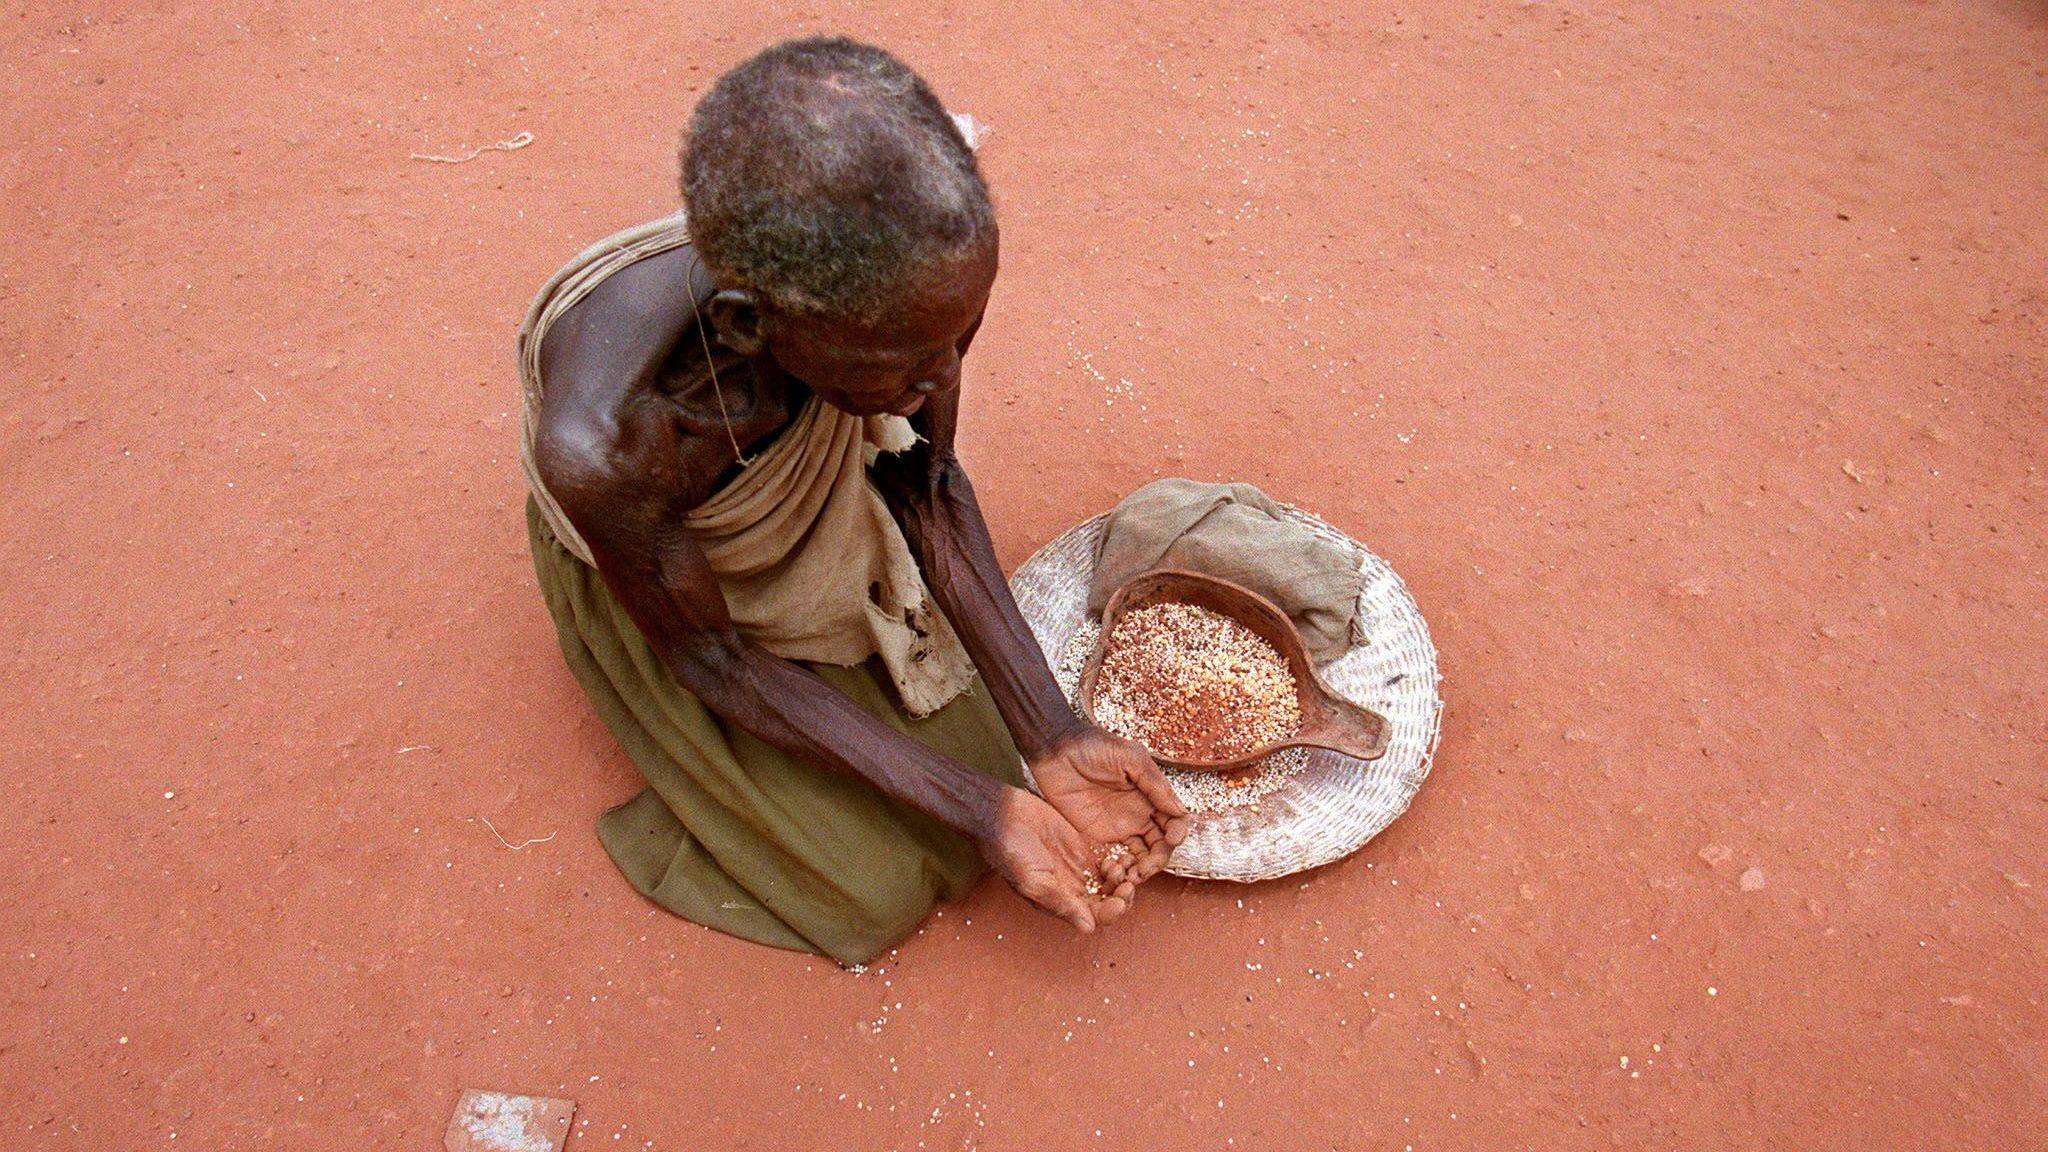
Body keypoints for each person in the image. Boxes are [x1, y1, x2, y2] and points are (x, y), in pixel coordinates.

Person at [520, 36, 1187, 966]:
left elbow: (930, 486)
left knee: (981, 756)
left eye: (963, 336)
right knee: (870, 881)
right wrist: (980, 809)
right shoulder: (613, 447)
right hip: (673, 578)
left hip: (806, 460)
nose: (945, 377)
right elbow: (712, 660)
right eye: (912, 365)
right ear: (749, 325)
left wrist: (1052, 730)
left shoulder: (910, 302)